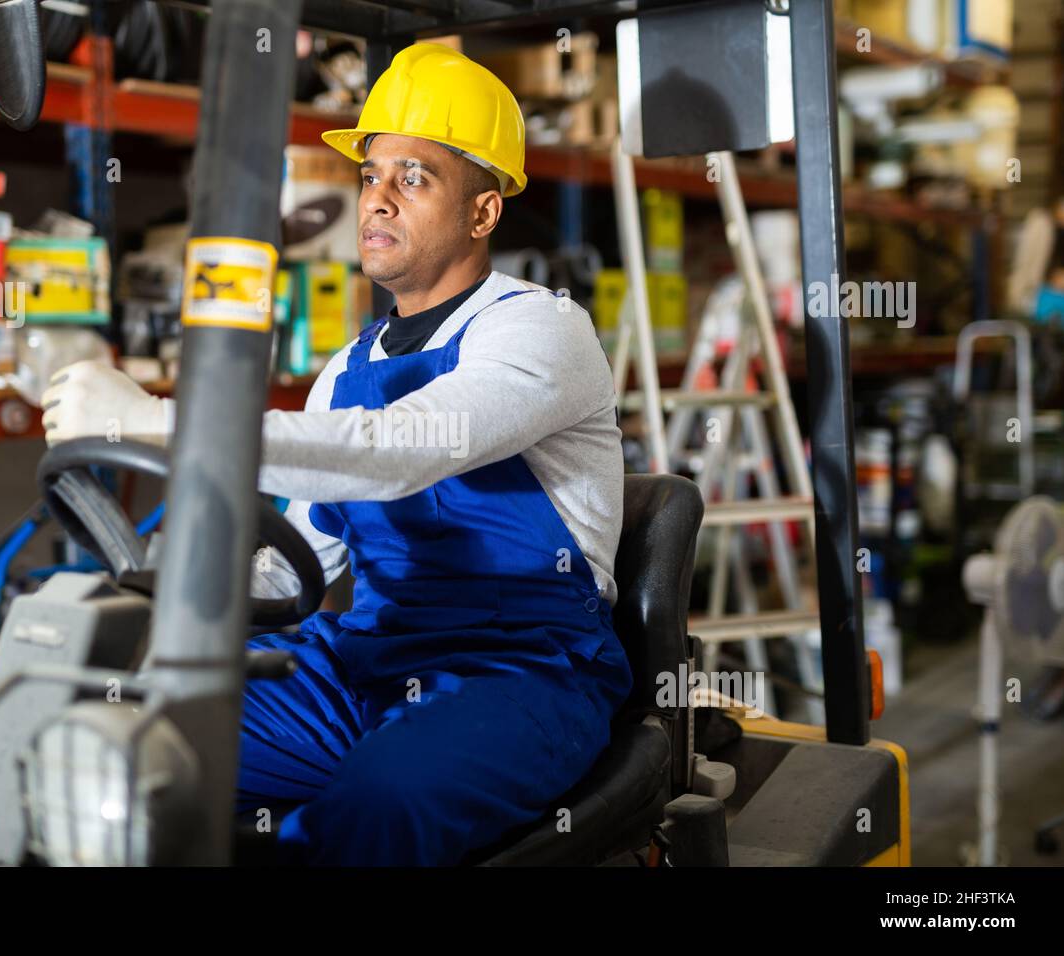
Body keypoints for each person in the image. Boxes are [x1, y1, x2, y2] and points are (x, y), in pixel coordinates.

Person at [40, 43, 631, 866]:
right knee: (134, 729)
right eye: (369, 176)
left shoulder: (537, 329)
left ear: (483, 212)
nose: (377, 200)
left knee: (380, 809)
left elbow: (401, 449)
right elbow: (294, 572)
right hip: (365, 662)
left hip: (519, 672)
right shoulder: (344, 373)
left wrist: (158, 423)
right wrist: (160, 587)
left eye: (413, 178)